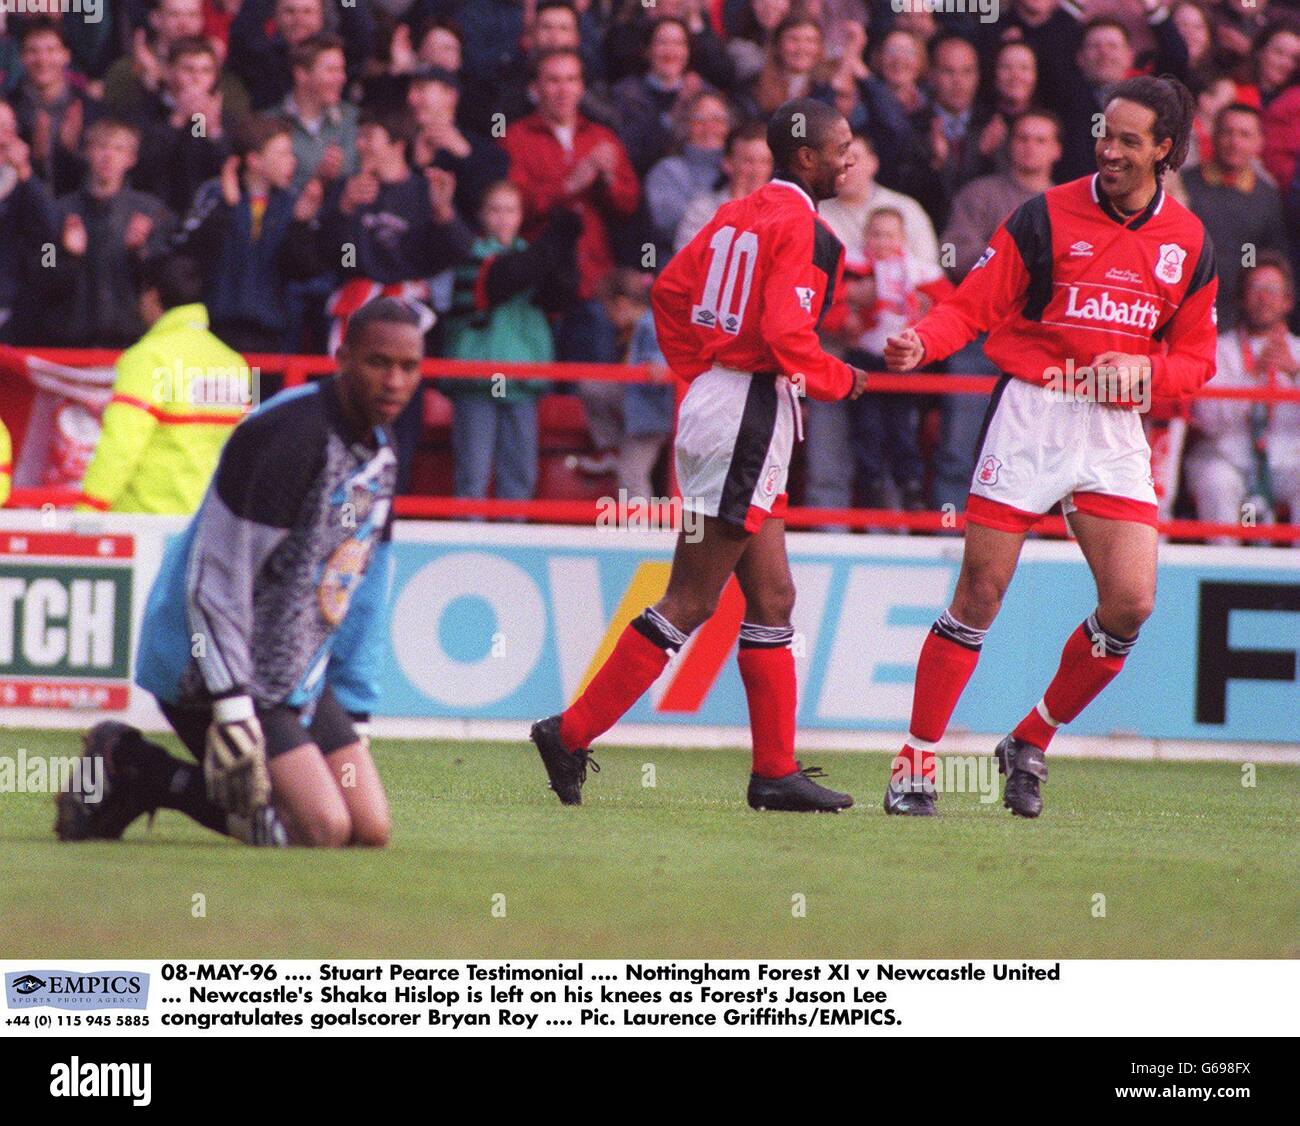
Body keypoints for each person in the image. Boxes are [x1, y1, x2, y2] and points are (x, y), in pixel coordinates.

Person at [882, 74, 1217, 817]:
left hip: (1111, 428)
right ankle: (915, 765)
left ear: (1165, 150)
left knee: (1130, 603)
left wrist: (1147, 369)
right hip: (1033, 410)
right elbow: (972, 306)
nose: (1110, 150)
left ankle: (1030, 738)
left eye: (1130, 141)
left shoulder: (1189, 242)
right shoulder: (1045, 215)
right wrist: (922, 342)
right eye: (1107, 134)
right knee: (981, 594)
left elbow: (1197, 363)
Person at [529, 98, 869, 813]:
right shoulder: (805, 229)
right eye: (842, 147)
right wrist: (842, 377)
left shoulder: (733, 213)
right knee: (692, 598)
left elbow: (671, 291)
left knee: (773, 595)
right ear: (806, 157)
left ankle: (774, 770)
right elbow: (784, 331)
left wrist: (700, 370)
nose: (852, 158)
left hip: (724, 403)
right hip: (747, 411)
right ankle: (572, 731)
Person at [56, 296, 422, 848]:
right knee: (321, 828)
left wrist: (356, 709)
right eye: (378, 363)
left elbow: (363, 585)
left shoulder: (382, 449)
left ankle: (145, 777)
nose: (394, 381)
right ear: (342, 356)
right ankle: (132, 766)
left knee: (368, 829)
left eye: (409, 367)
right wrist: (230, 704)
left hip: (296, 674)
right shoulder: (287, 437)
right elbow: (216, 579)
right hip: (208, 666)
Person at [77, 254, 252, 514]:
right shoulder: (236, 363)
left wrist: (88, 510)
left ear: (151, 295)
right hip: (205, 523)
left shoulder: (147, 357)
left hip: (146, 524)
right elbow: (244, 449)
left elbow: (121, 445)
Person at [1184, 253, 1300, 538]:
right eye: (1255, 289)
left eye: (1273, 290)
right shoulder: (1217, 349)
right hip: (1227, 456)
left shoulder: (1297, 351)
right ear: (1241, 298)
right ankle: (1223, 575)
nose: (1264, 298)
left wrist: (1295, 373)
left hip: (1287, 460)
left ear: (1288, 301)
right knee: (1216, 481)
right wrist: (1252, 378)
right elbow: (1209, 420)